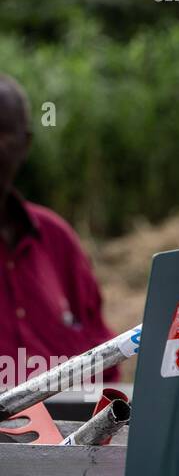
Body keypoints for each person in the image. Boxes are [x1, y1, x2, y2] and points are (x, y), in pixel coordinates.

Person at [0, 74, 117, 382]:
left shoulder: (57, 240)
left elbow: (104, 357)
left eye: (2, 131)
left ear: (24, 144)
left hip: (68, 428)